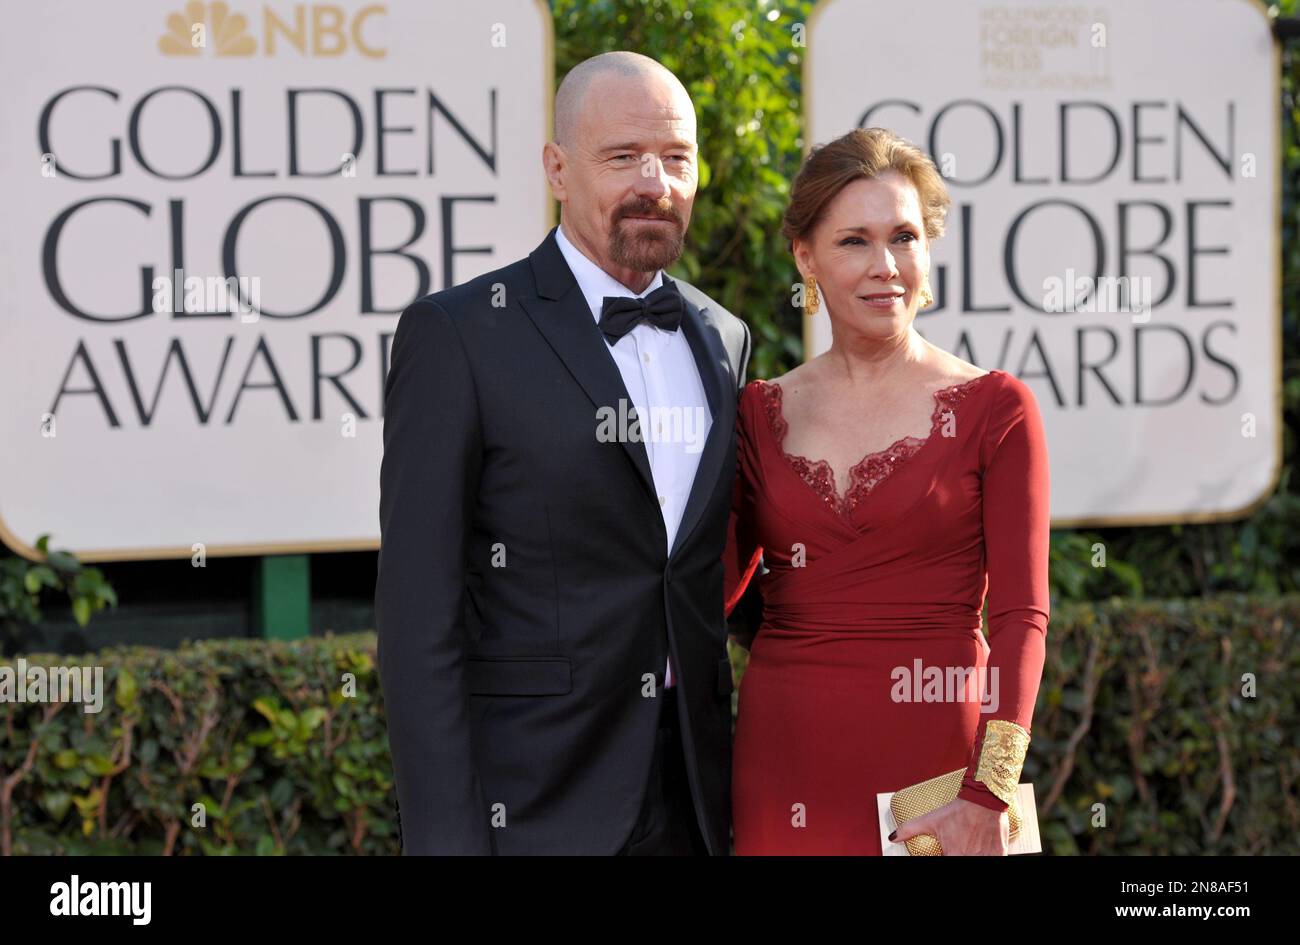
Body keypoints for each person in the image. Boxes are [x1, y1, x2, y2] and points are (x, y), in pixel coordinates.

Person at [376, 51, 751, 855]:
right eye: (623, 156)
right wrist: (445, 837)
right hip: (536, 806)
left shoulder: (724, 337)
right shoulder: (461, 335)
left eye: (677, 157)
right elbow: (416, 618)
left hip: (698, 798)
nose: (656, 181)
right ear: (557, 168)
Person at [724, 127, 1050, 855]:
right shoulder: (755, 410)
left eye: (904, 236)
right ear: (805, 258)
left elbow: (1024, 616)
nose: (886, 267)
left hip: (939, 771)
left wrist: (986, 792)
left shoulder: (997, 407)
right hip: (783, 760)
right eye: (854, 242)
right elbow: (704, 587)